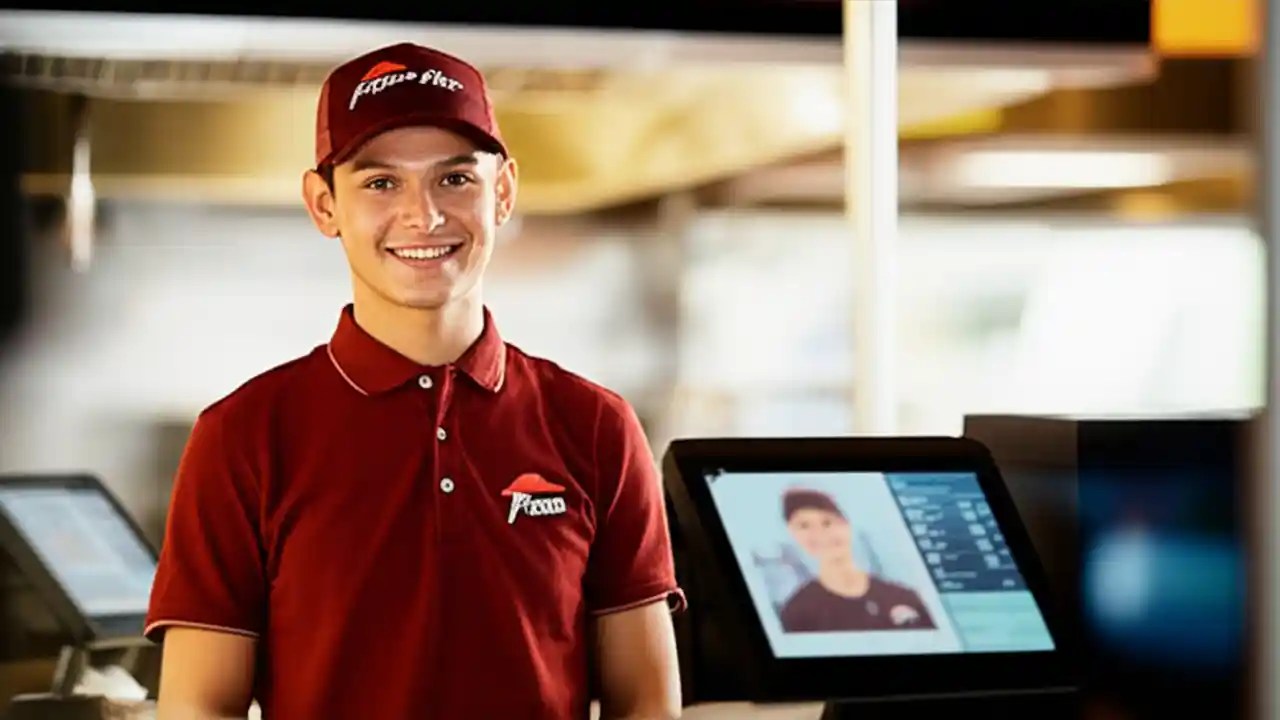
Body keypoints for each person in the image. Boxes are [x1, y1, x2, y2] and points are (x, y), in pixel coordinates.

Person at [145, 42, 685, 720]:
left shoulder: (597, 426)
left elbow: (647, 704)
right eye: (380, 182)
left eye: (454, 179)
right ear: (323, 205)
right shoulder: (243, 435)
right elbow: (199, 709)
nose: (423, 215)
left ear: (504, 192)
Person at [778, 488, 934, 633]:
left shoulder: (905, 597)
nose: (819, 533)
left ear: (846, 525)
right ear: (793, 535)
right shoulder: (797, 611)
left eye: (827, 523)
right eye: (804, 526)